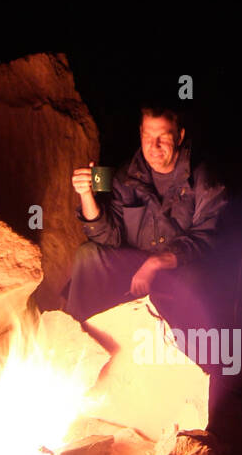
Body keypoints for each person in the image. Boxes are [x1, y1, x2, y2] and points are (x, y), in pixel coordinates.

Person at [65, 105, 228, 338]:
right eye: (148, 136)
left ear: (180, 136)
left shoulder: (203, 179)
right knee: (88, 254)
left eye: (163, 137)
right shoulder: (126, 176)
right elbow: (108, 237)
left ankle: (183, 359)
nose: (154, 146)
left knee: (195, 282)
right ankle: (77, 340)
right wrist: (86, 194)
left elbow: (206, 238)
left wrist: (155, 263)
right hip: (135, 266)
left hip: (179, 269)